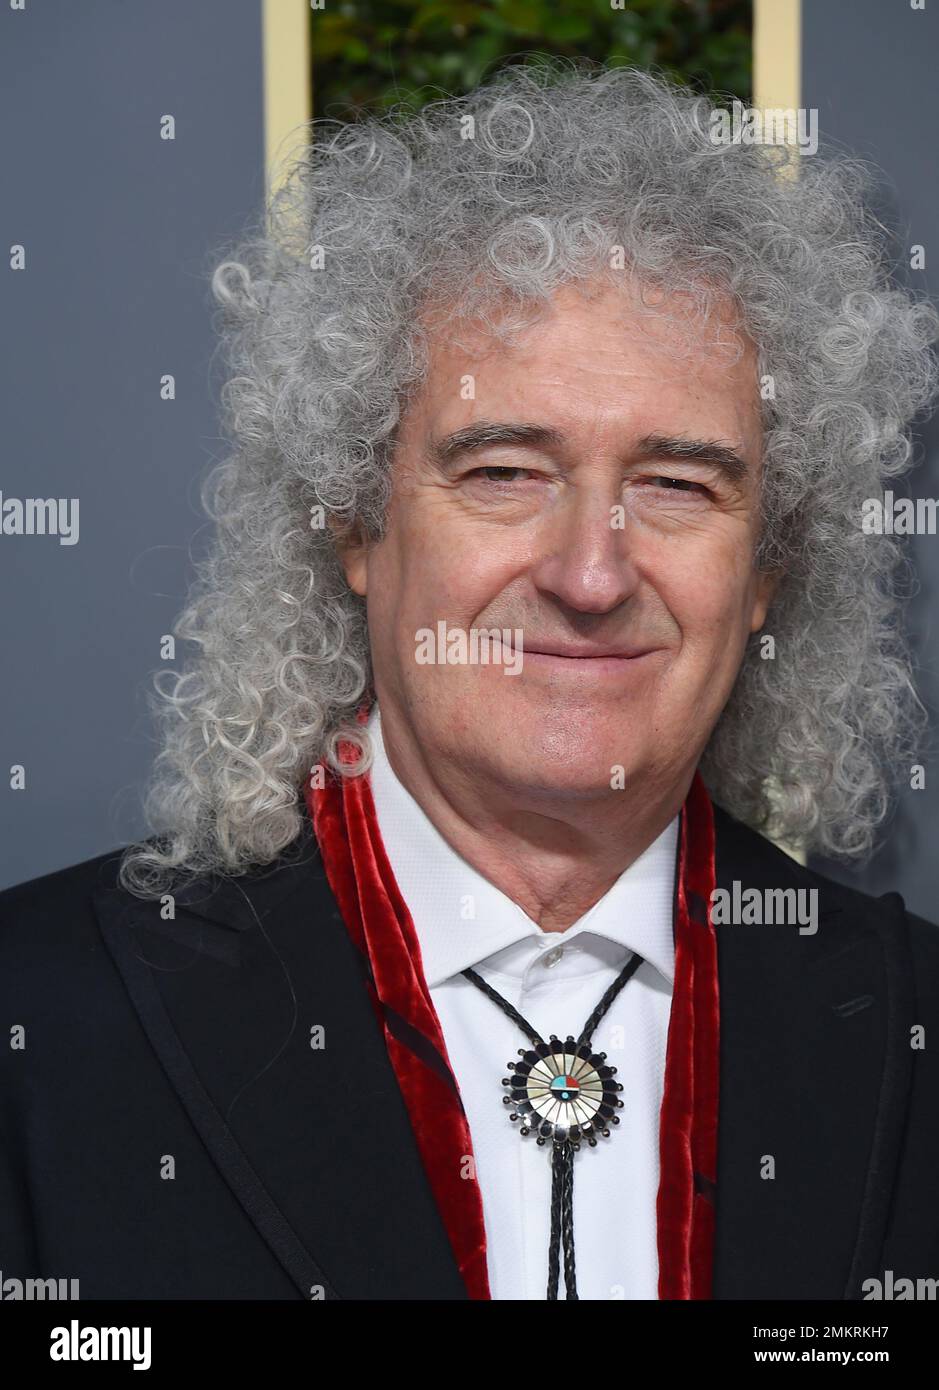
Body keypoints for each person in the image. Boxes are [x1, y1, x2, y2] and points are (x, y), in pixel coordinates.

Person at [2, 61, 939, 1302]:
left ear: (768, 566)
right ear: (354, 520)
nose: (592, 573)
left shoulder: (911, 1027)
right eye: (504, 470)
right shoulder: (41, 1021)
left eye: (679, 483)